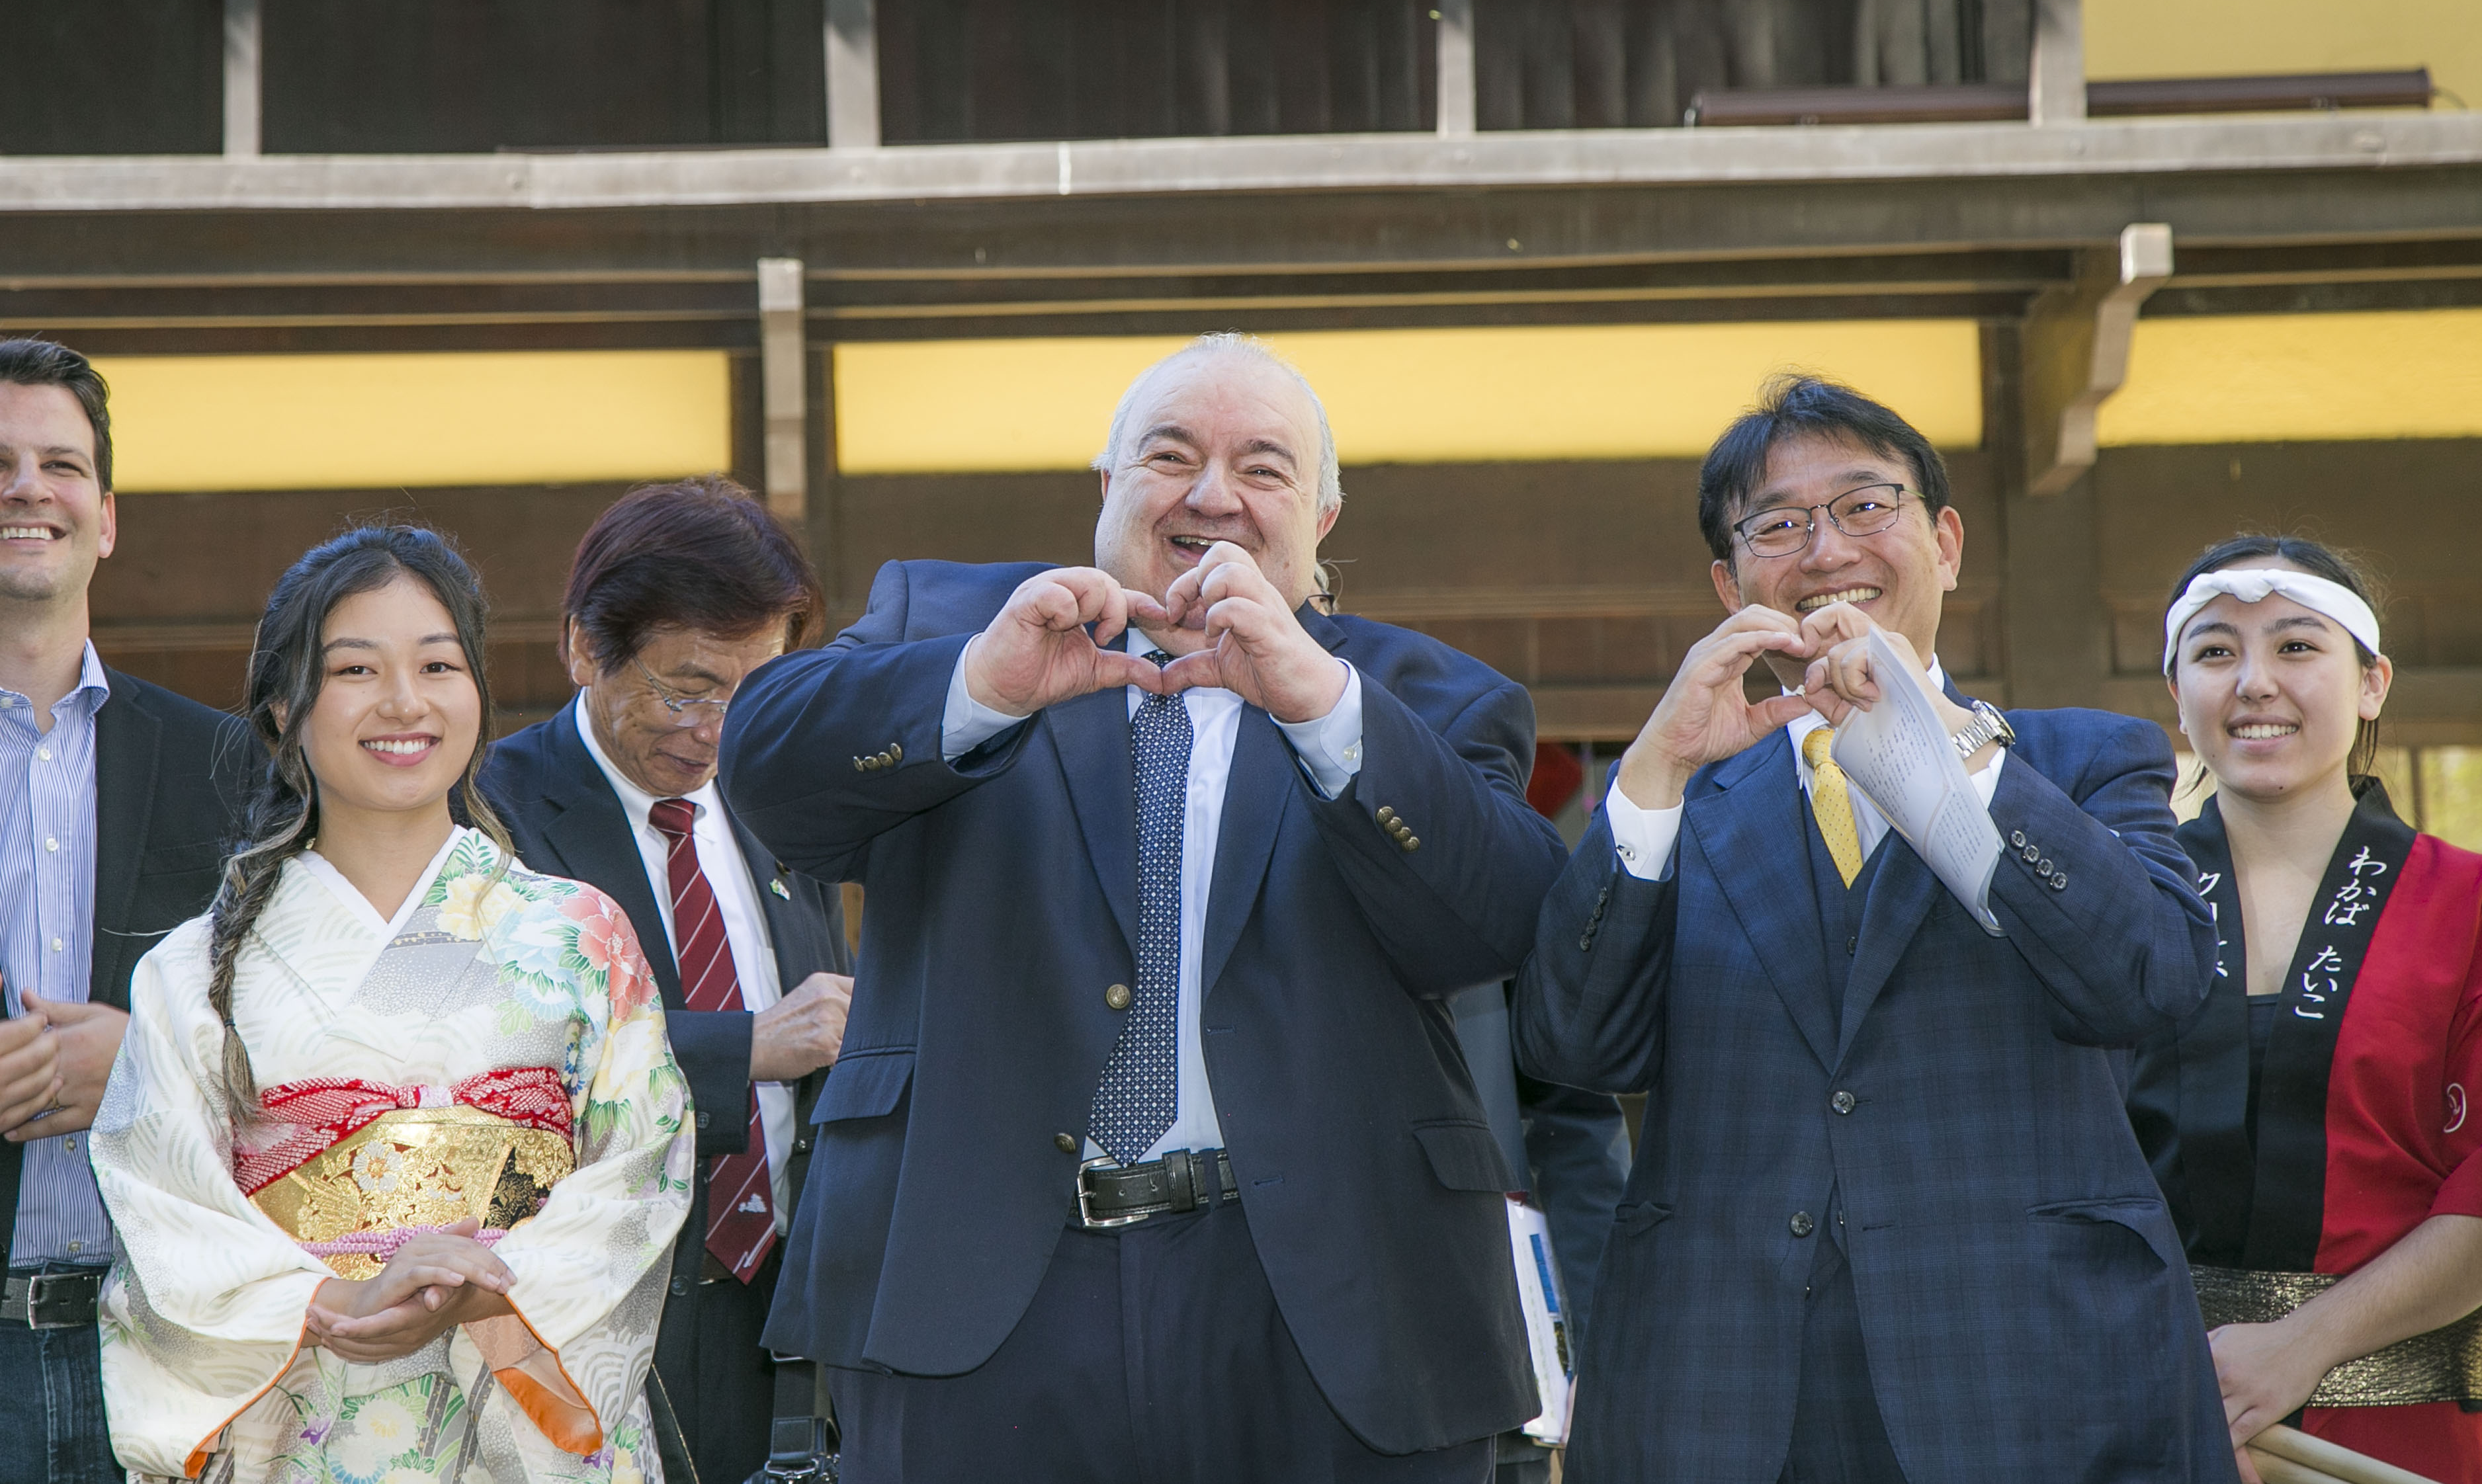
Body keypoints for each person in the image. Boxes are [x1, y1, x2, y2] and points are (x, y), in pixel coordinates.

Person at [720, 332, 1569, 1483]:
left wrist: (1323, 711)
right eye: (1170, 456)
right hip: (980, 1289)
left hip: (1334, 1301)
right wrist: (981, 687)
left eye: (1264, 468)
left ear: (1320, 523)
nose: (1212, 495)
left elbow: (1508, 924)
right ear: (1107, 487)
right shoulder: (955, 619)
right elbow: (764, 765)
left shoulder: (1425, 696)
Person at [1510, 374, 2236, 1484]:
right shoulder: (1687, 798)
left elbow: (2154, 979)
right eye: (1780, 526)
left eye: (1865, 507)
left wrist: (1950, 742)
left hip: (2036, 1376)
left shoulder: (2084, 757)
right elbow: (1571, 1046)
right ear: (1731, 581)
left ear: (1944, 542)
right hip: (1724, 1393)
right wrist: (1651, 774)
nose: (1828, 550)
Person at [89, 525, 691, 1483]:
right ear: (285, 708)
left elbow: (643, 1175)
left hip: (518, 1400)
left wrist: (488, 1290)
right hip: (308, 1419)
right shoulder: (193, 967)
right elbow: (167, 1211)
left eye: (438, 665)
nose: (404, 703)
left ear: (478, 695)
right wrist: (337, 1302)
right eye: (357, 670)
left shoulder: (578, 933)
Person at [0, 338, 261, 1484]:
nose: (30, 488)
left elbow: (318, 1055)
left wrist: (158, 1060)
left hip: (183, 1366)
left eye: (62, 465)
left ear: (107, 516)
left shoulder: (232, 766)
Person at [480, 477, 853, 1484]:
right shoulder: (490, 817)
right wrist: (748, 1050)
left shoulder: (783, 796)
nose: (717, 730)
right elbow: (496, 1061)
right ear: (583, 650)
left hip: (791, 1324)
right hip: (595, 1323)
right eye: (686, 689)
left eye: (757, 689)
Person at [2129, 538, 2482, 1483]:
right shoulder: (2116, 903)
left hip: (2400, 1431)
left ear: (2372, 684)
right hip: (2159, 1413)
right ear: (2176, 693)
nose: (2252, 683)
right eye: (2213, 653)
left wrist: (2298, 1347)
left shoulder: (2472, 906)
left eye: (2295, 648)